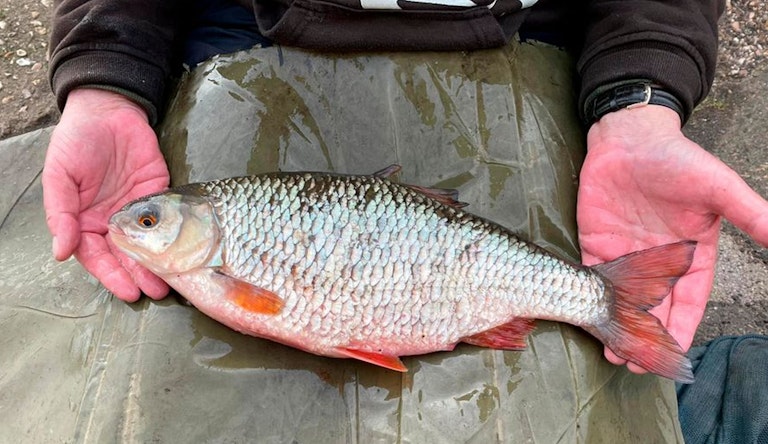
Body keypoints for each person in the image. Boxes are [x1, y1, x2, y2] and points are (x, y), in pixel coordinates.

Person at [41, 0, 768, 381]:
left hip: (538, 27)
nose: (133, 225)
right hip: (242, 18)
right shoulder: (217, 259)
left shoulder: (219, 272)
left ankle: (598, 300)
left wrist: (641, 94)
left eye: (149, 218)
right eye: (148, 219)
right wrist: (105, 72)